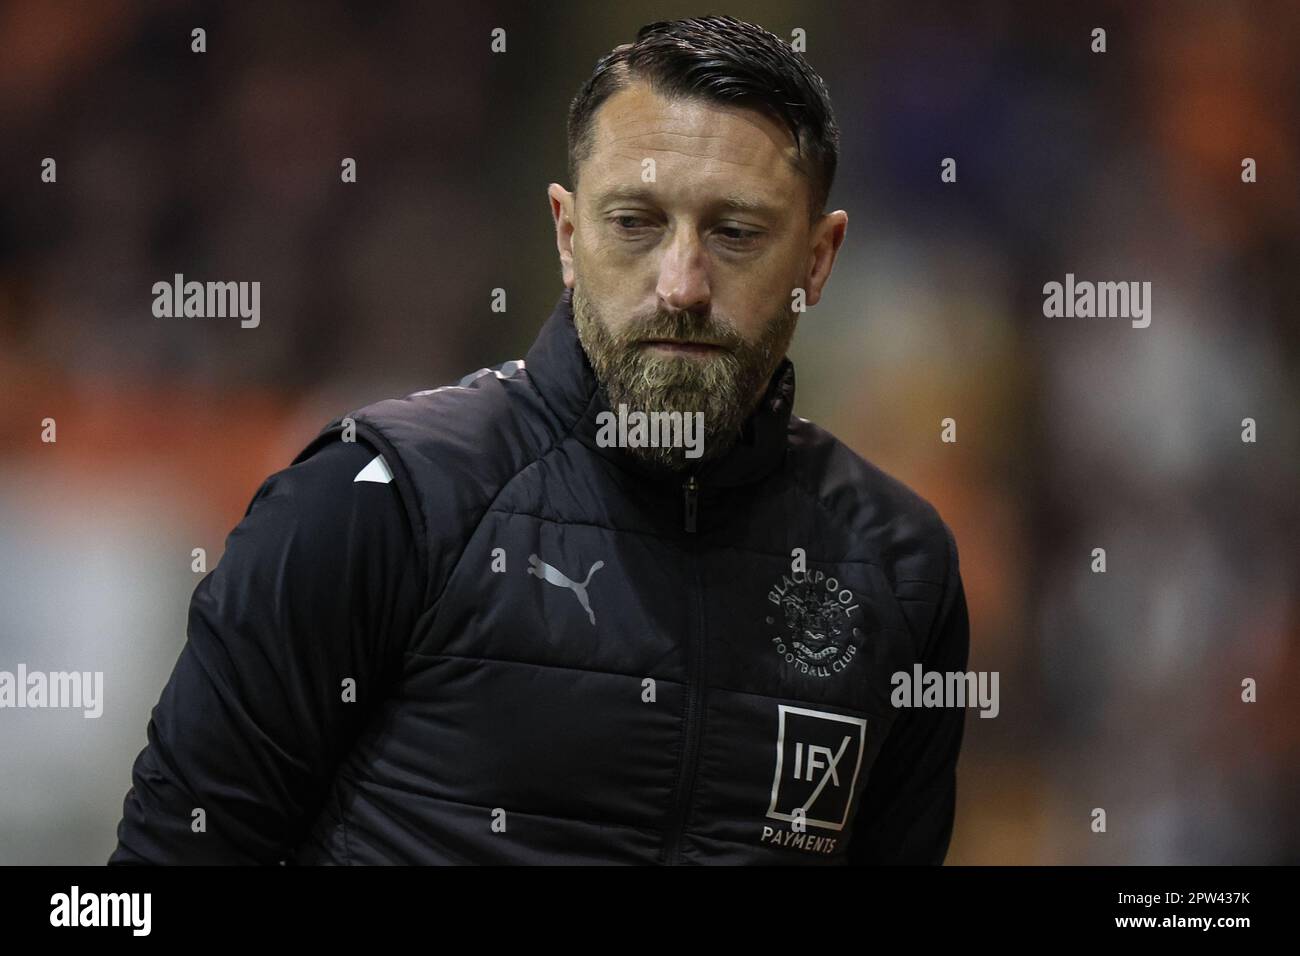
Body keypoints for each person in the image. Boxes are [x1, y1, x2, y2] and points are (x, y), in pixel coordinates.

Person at [110, 14, 969, 865]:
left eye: (736, 233)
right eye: (634, 222)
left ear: (819, 258)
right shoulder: (375, 504)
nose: (681, 285)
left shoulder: (898, 567)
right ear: (567, 233)